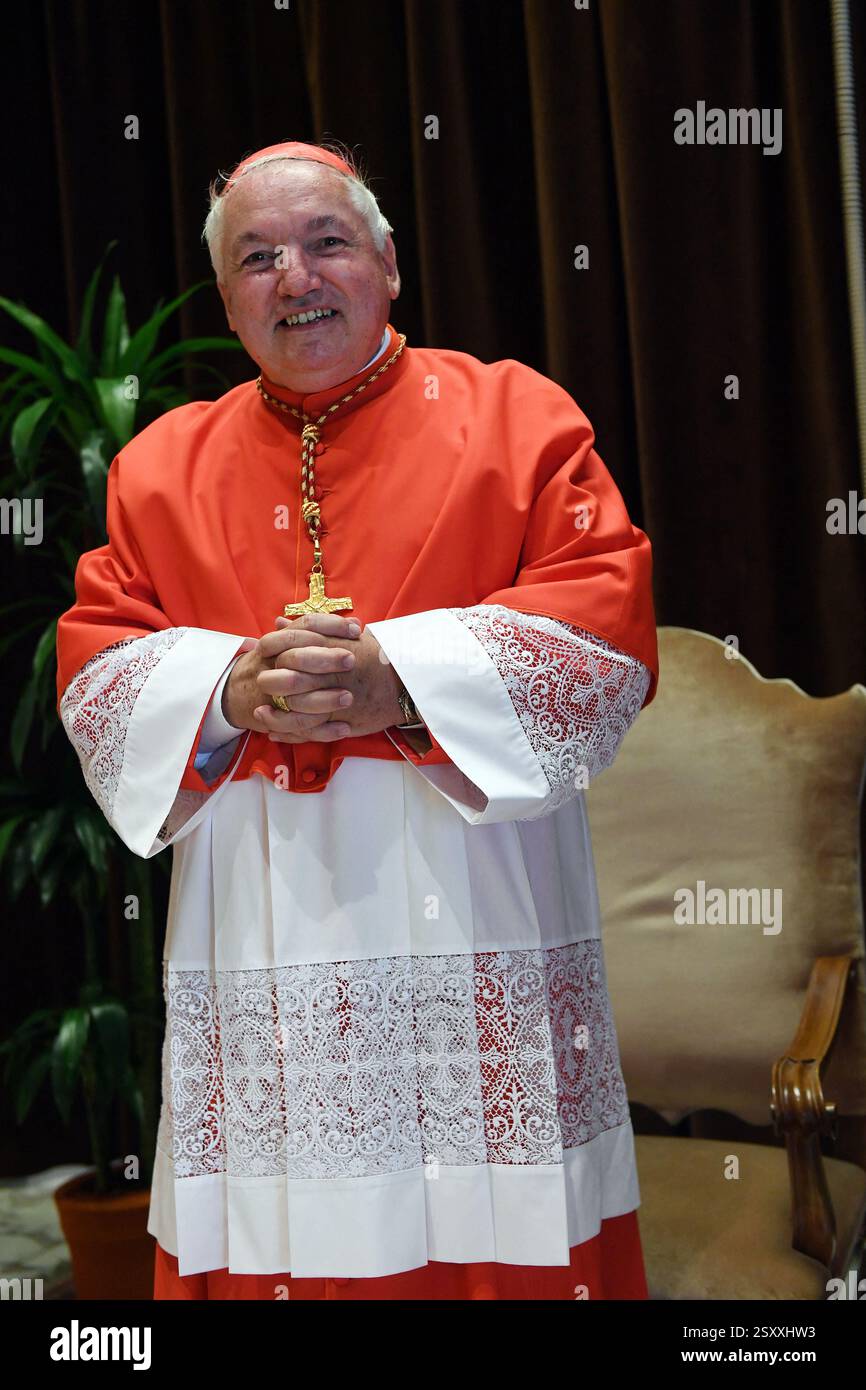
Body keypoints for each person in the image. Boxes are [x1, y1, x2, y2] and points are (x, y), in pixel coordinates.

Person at [55, 139, 660, 1301]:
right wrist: (227, 690)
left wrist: (404, 680)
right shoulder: (155, 468)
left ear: (386, 262)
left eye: (326, 242)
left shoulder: (516, 416)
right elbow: (97, 670)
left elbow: (603, 629)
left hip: (476, 891)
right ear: (227, 301)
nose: (296, 276)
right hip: (258, 912)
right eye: (257, 258)